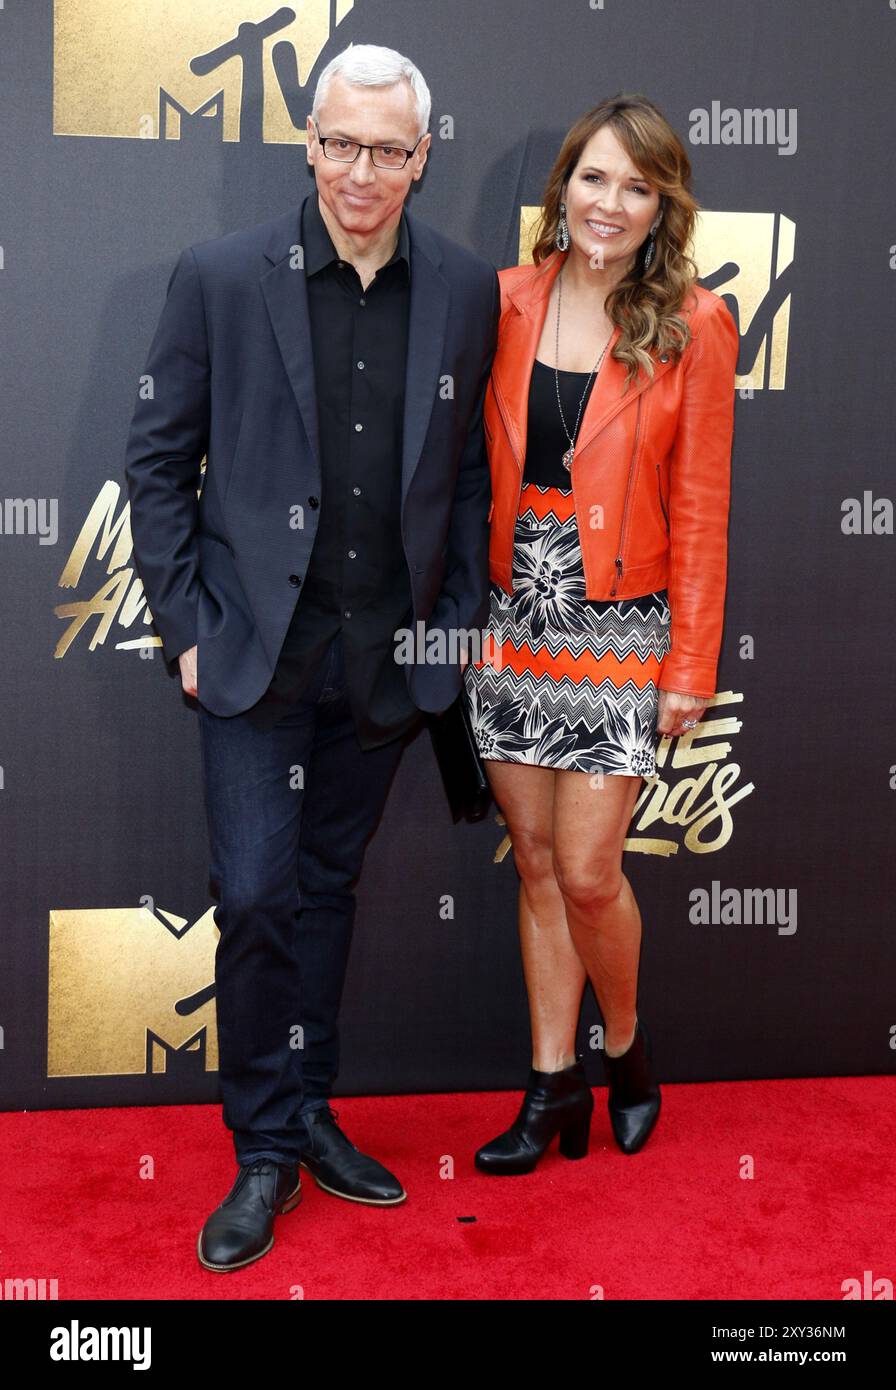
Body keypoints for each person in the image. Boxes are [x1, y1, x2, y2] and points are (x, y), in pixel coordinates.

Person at [125, 44, 499, 1270]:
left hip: (383, 671)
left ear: (422, 157)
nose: (360, 171)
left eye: (388, 149)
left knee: (328, 893)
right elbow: (157, 465)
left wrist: (448, 635)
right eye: (340, 142)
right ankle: (262, 1151)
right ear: (307, 139)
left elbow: (471, 476)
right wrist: (186, 631)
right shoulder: (220, 277)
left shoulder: (459, 287)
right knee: (254, 897)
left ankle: (308, 1110)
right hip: (252, 663)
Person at [464, 94, 739, 1174]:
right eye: (593, 177)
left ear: (661, 205)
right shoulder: (500, 302)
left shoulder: (695, 325)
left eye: (636, 185)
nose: (609, 203)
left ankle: (624, 1048)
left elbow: (704, 507)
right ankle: (549, 1086)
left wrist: (690, 663)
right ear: (562, 185)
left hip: (620, 621)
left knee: (586, 870)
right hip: (508, 613)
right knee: (531, 861)